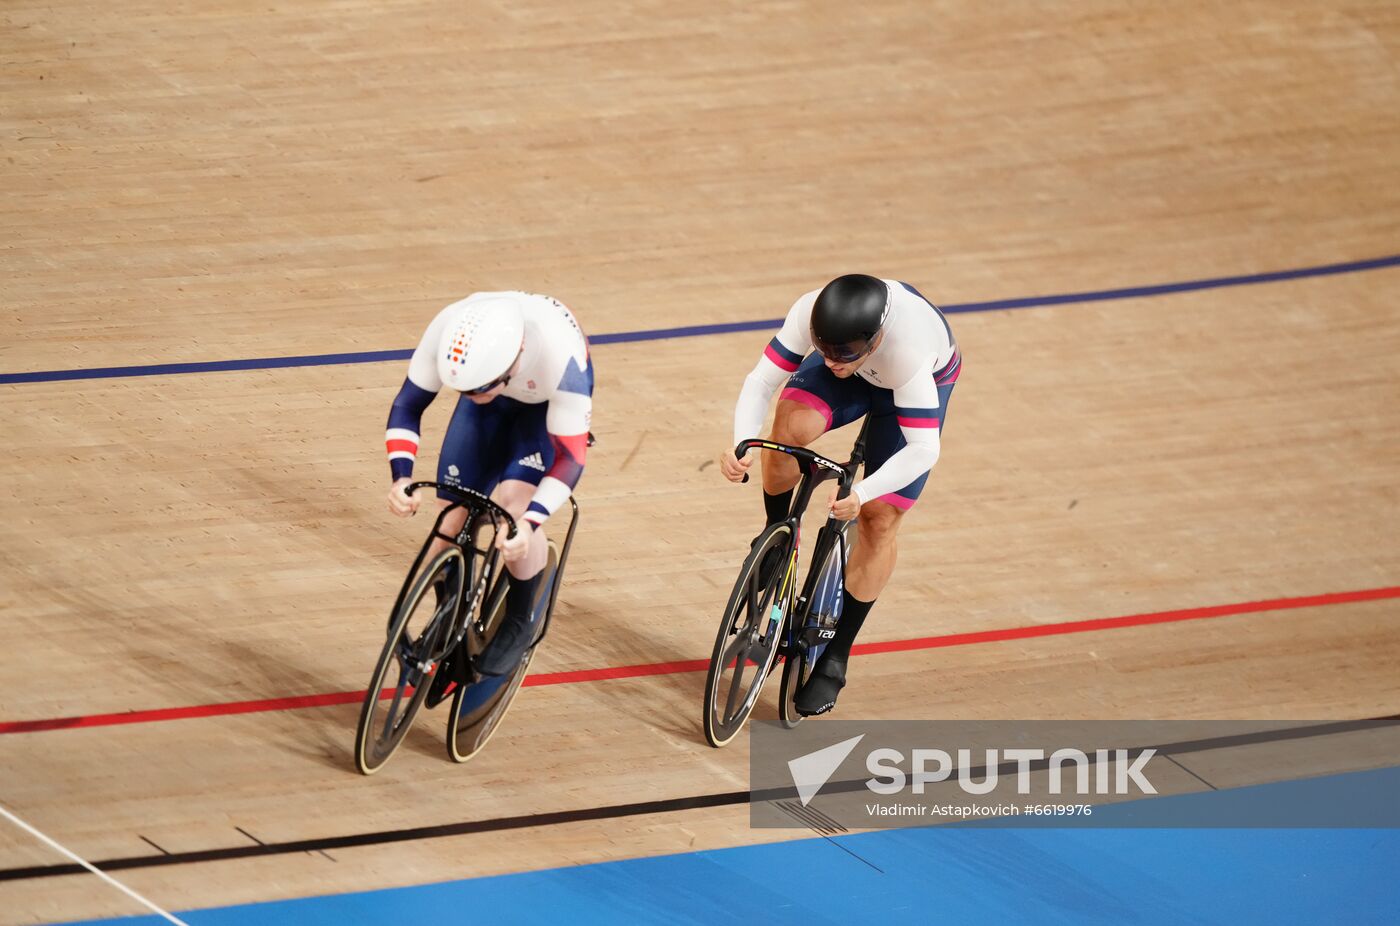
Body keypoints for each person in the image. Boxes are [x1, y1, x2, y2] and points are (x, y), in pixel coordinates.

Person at [718, 274, 960, 716]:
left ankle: (835, 657)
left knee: (879, 519)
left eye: (842, 353)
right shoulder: (813, 317)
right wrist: (742, 441)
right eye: (824, 350)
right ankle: (775, 534)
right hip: (868, 366)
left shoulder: (907, 352)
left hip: (908, 384)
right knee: (787, 433)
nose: (831, 362)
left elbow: (925, 448)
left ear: (876, 337)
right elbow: (761, 381)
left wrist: (864, 491)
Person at [384, 291, 592, 696]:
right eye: (464, 389)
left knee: (514, 509)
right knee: (451, 511)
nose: (471, 394)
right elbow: (407, 407)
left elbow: (570, 460)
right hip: (492, 410)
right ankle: (446, 611)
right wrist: (400, 477)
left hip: (542, 409)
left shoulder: (562, 361)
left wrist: (529, 522)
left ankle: (519, 617)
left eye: (481, 386)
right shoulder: (449, 329)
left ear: (512, 361)